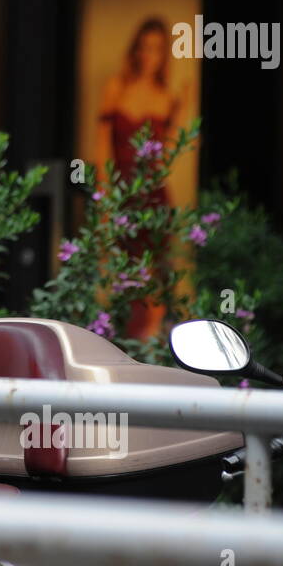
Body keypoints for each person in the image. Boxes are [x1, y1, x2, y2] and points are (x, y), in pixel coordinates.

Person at [92, 17, 192, 339]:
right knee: (123, 278)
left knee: (153, 278)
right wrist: (104, 195)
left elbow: (164, 157)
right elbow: (102, 146)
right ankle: (125, 345)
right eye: (145, 47)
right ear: (136, 50)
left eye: (157, 49)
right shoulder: (116, 87)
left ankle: (148, 347)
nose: (150, 55)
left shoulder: (165, 96)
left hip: (153, 197)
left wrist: (182, 110)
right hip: (121, 194)